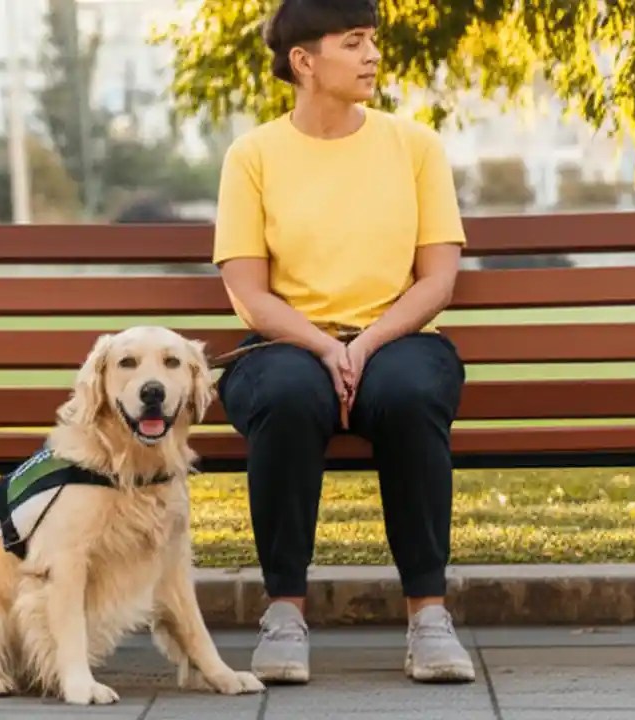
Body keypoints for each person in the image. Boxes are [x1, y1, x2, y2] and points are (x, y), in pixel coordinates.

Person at [211, 0, 475, 685]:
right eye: (353, 42)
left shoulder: (415, 147)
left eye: (373, 41)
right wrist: (327, 347)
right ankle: (285, 615)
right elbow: (247, 291)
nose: (372, 56)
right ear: (304, 61)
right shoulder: (253, 156)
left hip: (400, 338)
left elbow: (438, 280)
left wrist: (367, 343)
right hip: (287, 344)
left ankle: (428, 616)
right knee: (290, 396)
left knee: (411, 392)